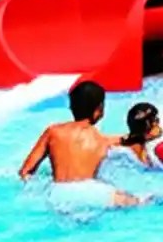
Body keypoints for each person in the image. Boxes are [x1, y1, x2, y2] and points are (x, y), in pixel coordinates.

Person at [18, 80, 148, 208]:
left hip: (58, 195)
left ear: (71, 107)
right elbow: (131, 139)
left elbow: (25, 171)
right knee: (146, 200)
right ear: (99, 110)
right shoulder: (103, 141)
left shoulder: (53, 132)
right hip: (93, 193)